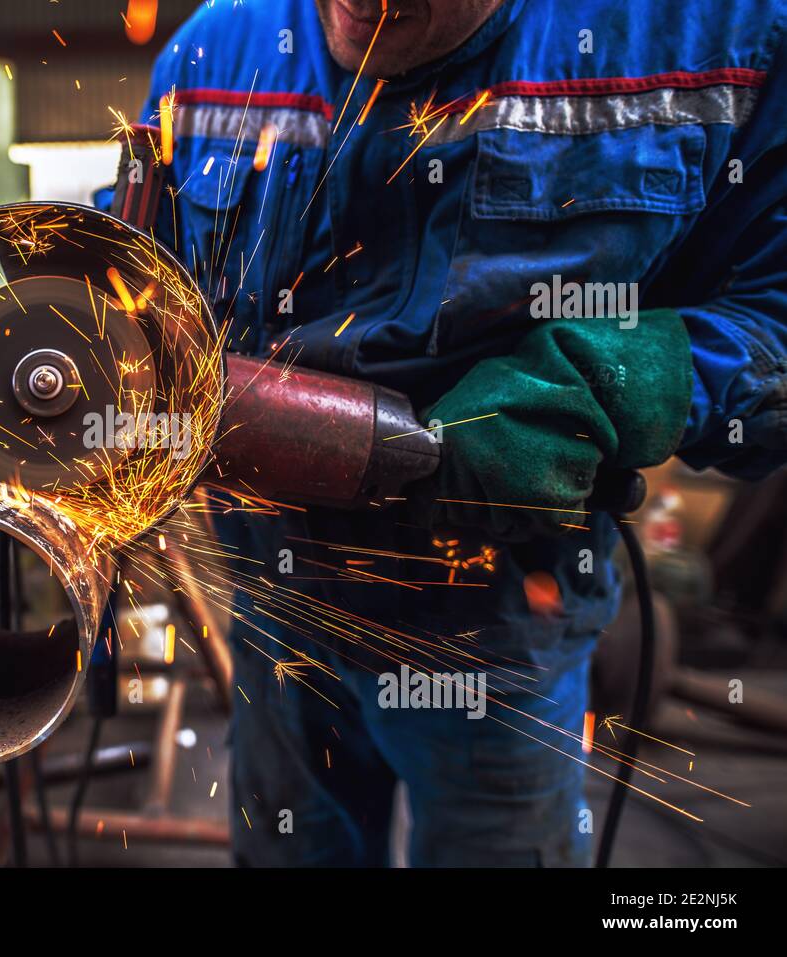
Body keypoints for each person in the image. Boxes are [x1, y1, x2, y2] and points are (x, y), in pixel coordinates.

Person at [115, 0, 787, 865]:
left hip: (500, 630)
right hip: (275, 605)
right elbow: (138, 294)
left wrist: (626, 380)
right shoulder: (214, 52)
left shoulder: (716, 38)